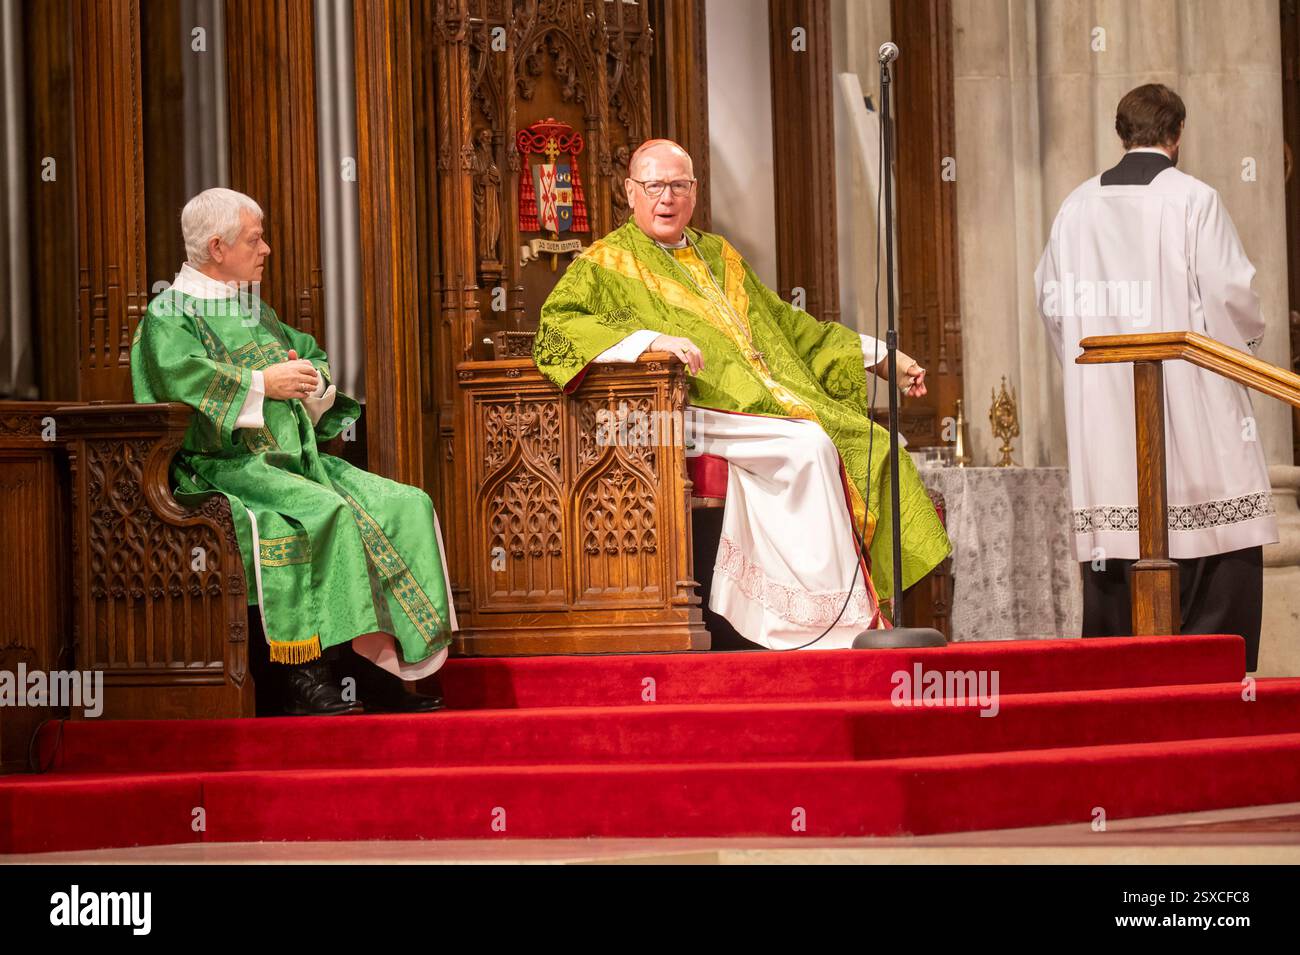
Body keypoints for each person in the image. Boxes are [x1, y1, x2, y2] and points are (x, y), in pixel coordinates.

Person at [534, 139, 950, 649]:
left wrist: (880, 357)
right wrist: (647, 343)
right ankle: (810, 618)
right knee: (810, 446)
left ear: (694, 191)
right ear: (630, 192)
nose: (667, 198)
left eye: (679, 186)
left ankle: (866, 609)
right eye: (654, 186)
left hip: (763, 405)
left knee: (873, 443)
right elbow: (558, 327)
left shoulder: (719, 256)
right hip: (676, 410)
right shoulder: (604, 263)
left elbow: (786, 326)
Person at [131, 187, 455, 713]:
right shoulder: (169, 316)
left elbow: (308, 355)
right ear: (217, 247)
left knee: (405, 504)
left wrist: (309, 379)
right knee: (322, 514)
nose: (267, 250)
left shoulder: (253, 308)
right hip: (222, 468)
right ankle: (307, 675)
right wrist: (263, 383)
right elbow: (180, 380)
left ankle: (374, 667)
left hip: (295, 461)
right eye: (255, 240)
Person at [1035, 84, 1278, 670]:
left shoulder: (1075, 206)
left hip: (1108, 412)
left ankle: (1118, 698)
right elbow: (1229, 297)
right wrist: (1246, 347)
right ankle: (1215, 686)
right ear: (1178, 135)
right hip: (1189, 398)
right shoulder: (1194, 200)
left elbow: (1053, 306)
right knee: (1211, 525)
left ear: (1121, 133)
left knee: (1119, 547)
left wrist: (1089, 374)